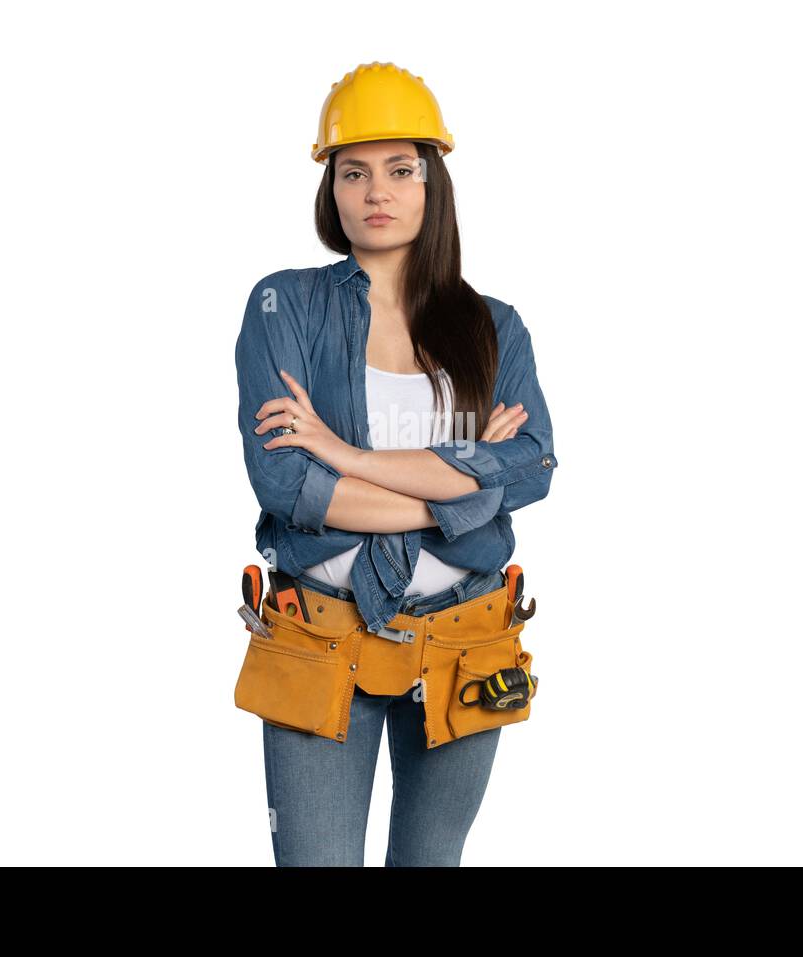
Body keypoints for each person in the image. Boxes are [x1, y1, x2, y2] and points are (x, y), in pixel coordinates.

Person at [233, 62, 558, 866]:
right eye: (354, 172)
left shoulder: (494, 327)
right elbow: (286, 483)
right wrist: (463, 489)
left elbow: (534, 468)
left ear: (432, 183)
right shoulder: (284, 306)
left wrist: (346, 458)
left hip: (466, 641)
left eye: (401, 169)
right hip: (319, 638)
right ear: (331, 188)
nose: (377, 190)